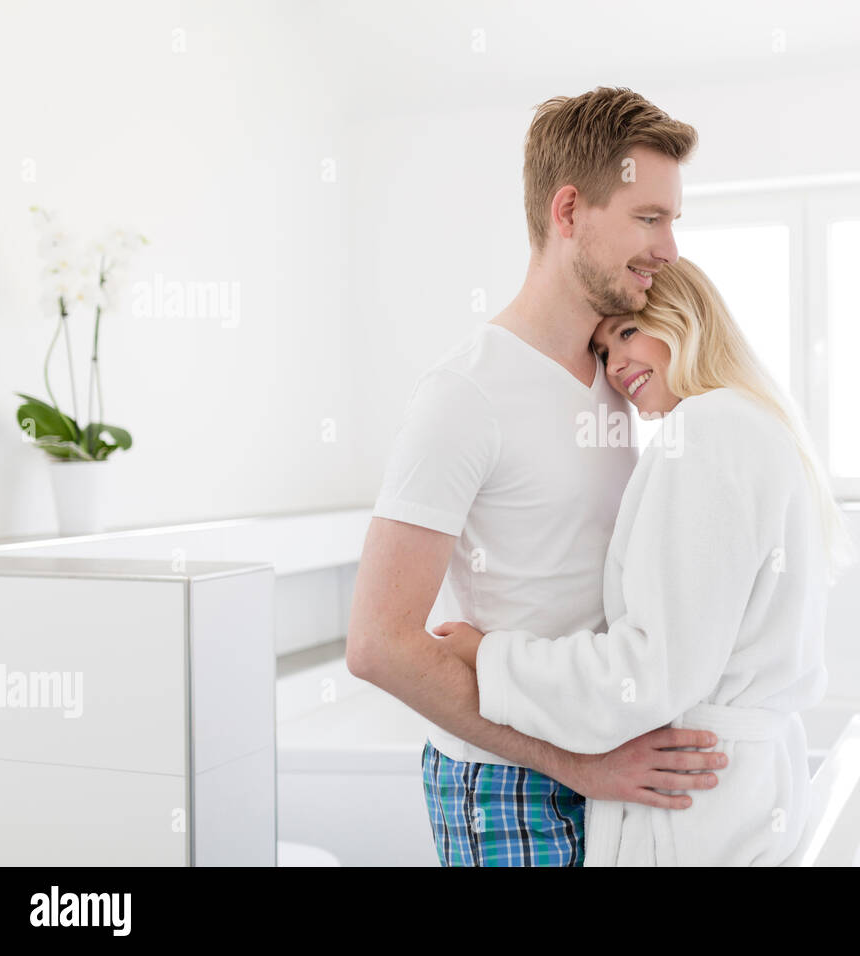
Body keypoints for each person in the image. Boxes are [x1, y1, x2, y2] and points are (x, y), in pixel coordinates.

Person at [346, 87, 727, 867]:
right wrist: (579, 766)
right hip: (509, 783)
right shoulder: (465, 395)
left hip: (610, 763)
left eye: (672, 222)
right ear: (568, 213)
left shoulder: (617, 372)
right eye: (648, 219)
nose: (669, 249)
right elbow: (377, 645)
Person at [434, 256, 857, 865]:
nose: (616, 366)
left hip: (697, 801)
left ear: (686, 316)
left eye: (629, 332)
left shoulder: (707, 432)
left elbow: (649, 668)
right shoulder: (753, 426)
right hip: (743, 794)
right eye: (603, 352)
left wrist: (488, 656)